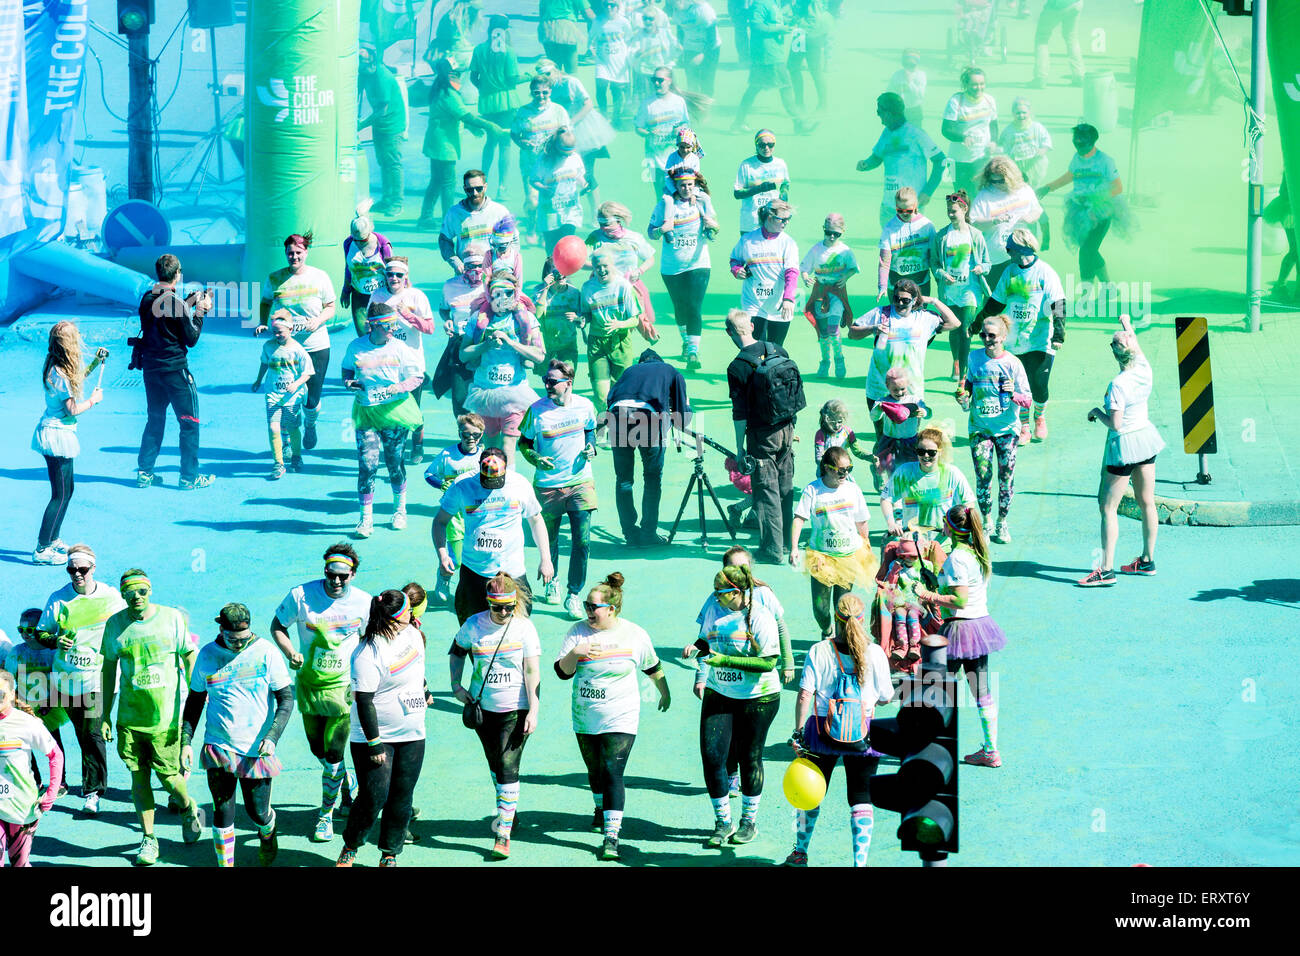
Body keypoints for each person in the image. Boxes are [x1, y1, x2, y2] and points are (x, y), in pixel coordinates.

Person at [555, 572, 669, 861]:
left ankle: (612, 836)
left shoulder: (634, 634)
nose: (588, 612)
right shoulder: (577, 633)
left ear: (612, 609)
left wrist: (664, 692)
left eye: (594, 607)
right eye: (586, 606)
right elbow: (562, 672)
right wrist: (577, 653)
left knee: (612, 771)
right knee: (594, 770)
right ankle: (599, 808)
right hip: (585, 714)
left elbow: (653, 667)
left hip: (622, 715)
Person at [100, 569, 204, 866]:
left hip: (166, 720)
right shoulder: (115, 625)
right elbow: (108, 670)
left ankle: (187, 808)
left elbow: (190, 656)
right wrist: (105, 714)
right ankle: (148, 838)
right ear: (122, 595)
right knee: (139, 778)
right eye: (130, 593)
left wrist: (196, 696)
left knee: (170, 779)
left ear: (150, 591)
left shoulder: (172, 619)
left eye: (142, 592)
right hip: (130, 718)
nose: (136, 597)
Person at [270, 544, 371, 844]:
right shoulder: (301, 596)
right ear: (325, 570)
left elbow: (369, 640)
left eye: (344, 576)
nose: (336, 581)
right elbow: (277, 625)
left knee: (333, 752)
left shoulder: (364, 603)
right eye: (331, 574)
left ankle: (325, 816)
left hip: (344, 689)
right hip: (310, 686)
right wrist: (290, 652)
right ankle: (344, 780)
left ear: (353, 574)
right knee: (318, 750)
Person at [783, 592, 892, 866]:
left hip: (821, 733)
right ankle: (859, 862)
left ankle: (800, 853)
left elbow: (804, 695)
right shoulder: (875, 652)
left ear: (836, 618)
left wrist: (798, 733)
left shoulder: (819, 650)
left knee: (809, 794)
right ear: (863, 619)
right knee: (861, 798)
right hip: (863, 733)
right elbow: (887, 696)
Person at [182, 603, 293, 867]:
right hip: (219, 745)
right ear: (221, 628)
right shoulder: (207, 655)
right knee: (222, 810)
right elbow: (195, 701)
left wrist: (272, 736)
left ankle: (268, 831)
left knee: (258, 812)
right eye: (233, 639)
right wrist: (186, 741)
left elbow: (286, 699)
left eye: (244, 638)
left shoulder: (266, 653)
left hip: (257, 749)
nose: (239, 645)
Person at [685, 564, 782, 847]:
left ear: (737, 593)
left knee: (748, 757)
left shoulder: (761, 618)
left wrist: (725, 661)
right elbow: (707, 640)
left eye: (722, 593)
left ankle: (748, 822)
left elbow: (768, 663)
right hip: (720, 691)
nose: (715, 598)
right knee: (713, 756)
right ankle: (722, 822)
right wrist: (696, 648)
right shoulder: (715, 610)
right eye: (714, 592)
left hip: (758, 698)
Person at [450, 574, 541, 860]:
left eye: (508, 607)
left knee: (506, 765)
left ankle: (502, 832)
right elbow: (457, 651)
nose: (503, 613)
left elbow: (531, 671)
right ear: (488, 603)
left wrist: (534, 709)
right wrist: (456, 685)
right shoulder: (474, 624)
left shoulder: (525, 628)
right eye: (497, 607)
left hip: (516, 708)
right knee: (494, 763)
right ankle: (509, 811)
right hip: (482, 707)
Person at [335, 589, 427, 867]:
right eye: (408, 611)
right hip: (375, 736)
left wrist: (425, 687)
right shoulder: (367, 653)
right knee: (375, 795)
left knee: (402, 795)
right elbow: (363, 700)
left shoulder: (411, 634)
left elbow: (417, 669)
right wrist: (374, 744)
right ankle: (351, 845)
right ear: (393, 620)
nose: (413, 614)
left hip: (412, 731)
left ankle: (389, 854)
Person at [914, 505, 1007, 767]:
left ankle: (928, 750)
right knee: (982, 692)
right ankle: (991, 751)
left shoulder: (956, 558)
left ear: (952, 528)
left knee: (932, 688)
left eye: (944, 522)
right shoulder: (976, 552)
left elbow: (959, 599)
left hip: (959, 630)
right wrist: (936, 579)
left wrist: (927, 594)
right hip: (980, 628)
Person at [39, 543, 125, 814]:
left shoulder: (111, 598)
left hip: (96, 680)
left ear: (93, 569)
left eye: (82, 569)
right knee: (61, 729)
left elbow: (127, 624)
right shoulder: (58, 598)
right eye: (71, 569)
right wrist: (55, 641)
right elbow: (41, 633)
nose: (77, 574)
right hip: (64, 680)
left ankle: (93, 791)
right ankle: (59, 782)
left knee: (91, 733)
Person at [1080, 314, 1165, 587]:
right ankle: (1147, 560)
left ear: (1116, 354)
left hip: (1124, 446)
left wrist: (1097, 412)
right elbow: (1135, 344)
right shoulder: (1144, 367)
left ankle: (1105, 570)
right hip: (1146, 439)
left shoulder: (1117, 385)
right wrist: (1128, 325)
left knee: (1107, 507)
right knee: (1147, 502)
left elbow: (1115, 424)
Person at [434, 448, 555, 624]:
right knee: (471, 628)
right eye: (487, 481)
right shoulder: (462, 485)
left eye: (497, 480)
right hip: (475, 570)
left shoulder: (520, 484)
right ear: (478, 467)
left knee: (518, 627)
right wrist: (443, 555)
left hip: (512, 570)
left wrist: (546, 559)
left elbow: (536, 520)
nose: (492, 486)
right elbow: (440, 521)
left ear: (506, 469)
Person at [519, 359, 600, 619]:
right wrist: (535, 459)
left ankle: (574, 594)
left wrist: (591, 447)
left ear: (569, 383)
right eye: (546, 381)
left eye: (553, 382)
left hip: (580, 483)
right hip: (547, 487)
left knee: (583, 541)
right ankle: (551, 580)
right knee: (549, 540)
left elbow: (590, 430)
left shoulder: (585, 406)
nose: (548, 385)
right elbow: (524, 444)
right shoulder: (536, 410)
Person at [725, 309, 804, 563]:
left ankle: (771, 550)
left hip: (761, 435)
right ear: (751, 325)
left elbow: (739, 414)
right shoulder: (778, 350)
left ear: (730, 333)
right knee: (785, 488)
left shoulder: (737, 366)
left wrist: (740, 448)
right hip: (787, 428)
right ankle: (785, 544)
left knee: (766, 491)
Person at [974, 228, 1066, 443]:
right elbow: (996, 302)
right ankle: (1024, 425)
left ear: (1021, 249)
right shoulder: (1010, 272)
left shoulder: (1045, 272)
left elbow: (1058, 303)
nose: (1007, 254)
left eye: (1010, 249)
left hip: (1041, 338)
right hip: (1015, 341)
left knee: (1039, 385)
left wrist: (1059, 334)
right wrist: (978, 322)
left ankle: (1039, 417)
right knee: (1019, 387)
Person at [342, 304, 425, 537]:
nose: (394, 328)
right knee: (367, 465)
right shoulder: (356, 347)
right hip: (366, 411)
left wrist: (398, 387)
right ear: (374, 325)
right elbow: (347, 370)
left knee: (394, 463)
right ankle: (365, 520)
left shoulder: (400, 348)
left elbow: (417, 376)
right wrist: (349, 383)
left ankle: (400, 511)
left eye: (394, 323)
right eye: (389, 325)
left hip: (394, 412)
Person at [135, 253, 215, 490]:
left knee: (155, 420)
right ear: (178, 274)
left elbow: (165, 314)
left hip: (151, 370)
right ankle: (189, 477)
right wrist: (200, 311)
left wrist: (188, 303)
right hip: (175, 371)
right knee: (189, 423)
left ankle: (145, 472)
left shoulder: (147, 299)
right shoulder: (176, 304)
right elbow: (191, 338)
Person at [847, 280, 960, 442]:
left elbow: (955, 323)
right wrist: (872, 329)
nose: (900, 303)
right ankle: (881, 466)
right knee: (882, 439)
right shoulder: (881, 313)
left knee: (910, 438)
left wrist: (934, 301)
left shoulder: (924, 318)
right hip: (879, 388)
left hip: (911, 391)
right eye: (897, 299)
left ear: (915, 300)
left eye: (905, 300)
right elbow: (852, 333)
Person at [32, 321, 104, 563]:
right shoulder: (60, 373)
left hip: (55, 433)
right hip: (57, 436)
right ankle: (42, 549)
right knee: (60, 494)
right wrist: (93, 400)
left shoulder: (56, 367)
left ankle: (53, 539)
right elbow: (72, 409)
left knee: (67, 491)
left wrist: (94, 364)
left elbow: (73, 383)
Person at [260, 233, 337, 455]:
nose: (294, 257)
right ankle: (284, 440)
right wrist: (261, 323)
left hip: (315, 346)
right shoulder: (275, 278)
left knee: (311, 399)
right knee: (285, 395)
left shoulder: (320, 277)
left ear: (306, 252)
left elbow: (331, 306)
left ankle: (310, 424)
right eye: (290, 253)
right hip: (286, 348)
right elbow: (265, 302)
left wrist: (318, 321)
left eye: (298, 253)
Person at [607, 348, 690, 547]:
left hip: (617, 415)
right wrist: (685, 407)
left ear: (642, 362)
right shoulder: (670, 370)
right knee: (652, 478)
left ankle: (629, 532)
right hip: (647, 419)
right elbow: (682, 419)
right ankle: (648, 533)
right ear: (659, 360)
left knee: (624, 480)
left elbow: (609, 399)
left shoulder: (629, 371)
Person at [790, 447, 877, 638]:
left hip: (848, 556)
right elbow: (799, 518)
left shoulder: (853, 489)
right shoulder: (813, 490)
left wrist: (866, 544)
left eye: (849, 469)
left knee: (843, 606)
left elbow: (861, 520)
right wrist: (794, 547)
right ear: (827, 468)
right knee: (820, 609)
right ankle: (827, 629)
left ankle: (839, 640)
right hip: (822, 557)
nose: (845, 474)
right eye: (841, 470)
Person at [958, 314, 1031, 543]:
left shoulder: (1013, 363)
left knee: (1006, 477)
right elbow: (968, 384)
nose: (987, 339)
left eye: (992, 336)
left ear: (1003, 337)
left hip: (1007, 430)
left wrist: (1013, 394)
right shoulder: (974, 357)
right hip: (979, 428)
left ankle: (1002, 522)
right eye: (983, 335)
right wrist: (963, 395)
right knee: (982, 475)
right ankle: (987, 521)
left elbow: (1028, 400)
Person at [460, 278, 547, 464]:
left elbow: (539, 356)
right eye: (497, 294)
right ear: (489, 295)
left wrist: (511, 342)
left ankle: (508, 484)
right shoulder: (478, 319)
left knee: (508, 446)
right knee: (491, 447)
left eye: (508, 293)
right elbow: (463, 355)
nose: (503, 298)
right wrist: (486, 345)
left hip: (514, 393)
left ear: (515, 294)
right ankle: (491, 485)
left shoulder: (527, 319)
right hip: (485, 392)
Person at [420, 59, 508, 232]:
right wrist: (489, 125)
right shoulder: (448, 93)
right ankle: (448, 220)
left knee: (436, 181)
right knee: (447, 183)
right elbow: (465, 115)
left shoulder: (441, 89)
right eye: (456, 73)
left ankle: (426, 217)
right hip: (443, 145)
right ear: (448, 74)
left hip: (437, 142)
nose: (459, 77)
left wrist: (472, 127)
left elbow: (455, 115)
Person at [369, 256, 439, 464]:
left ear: (406, 276)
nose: (394, 278)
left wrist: (408, 316)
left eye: (399, 274)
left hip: (411, 364)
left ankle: (417, 445)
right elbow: (368, 325)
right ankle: (395, 449)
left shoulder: (416, 296)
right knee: (388, 408)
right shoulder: (378, 295)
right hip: (386, 364)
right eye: (390, 274)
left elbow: (430, 328)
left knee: (413, 411)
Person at [1039, 123, 1128, 285]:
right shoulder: (1076, 158)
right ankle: (1108, 288)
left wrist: (1093, 200)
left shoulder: (1105, 161)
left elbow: (1118, 188)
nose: (1078, 145)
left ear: (1092, 142)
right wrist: (1048, 188)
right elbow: (1070, 176)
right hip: (1079, 212)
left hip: (1101, 211)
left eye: (1082, 142)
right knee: (1089, 251)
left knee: (1087, 251)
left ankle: (1087, 294)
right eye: (1075, 141)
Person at [648, 166, 718, 369]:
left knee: (694, 306)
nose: (687, 189)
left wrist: (712, 226)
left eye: (690, 184)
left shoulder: (702, 201)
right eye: (683, 185)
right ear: (676, 186)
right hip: (672, 266)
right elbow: (651, 232)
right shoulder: (665, 204)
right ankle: (686, 341)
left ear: (695, 184)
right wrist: (662, 229)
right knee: (680, 305)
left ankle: (693, 352)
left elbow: (715, 226)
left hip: (699, 263)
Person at [535, 59, 617, 221]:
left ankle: (596, 213)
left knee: (587, 173)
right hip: (561, 134)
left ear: (555, 70)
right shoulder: (545, 88)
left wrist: (571, 122)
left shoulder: (571, 82)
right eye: (542, 75)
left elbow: (588, 104)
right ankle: (564, 211)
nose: (546, 78)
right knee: (563, 172)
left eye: (548, 73)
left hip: (584, 130)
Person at [0, 669, 63, 868]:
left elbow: (55, 755)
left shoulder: (27, 724)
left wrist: (51, 793)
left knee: (19, 863)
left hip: (21, 805)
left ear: (12, 694)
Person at [857, 91, 945, 228]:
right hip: (888, 206)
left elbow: (941, 161)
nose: (877, 114)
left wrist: (928, 191)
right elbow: (877, 157)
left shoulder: (916, 134)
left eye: (879, 111)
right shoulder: (886, 133)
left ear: (889, 112)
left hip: (911, 206)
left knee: (911, 248)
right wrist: (866, 164)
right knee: (889, 248)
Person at [425, 413, 488, 605]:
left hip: (477, 512)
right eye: (465, 434)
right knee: (457, 558)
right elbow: (429, 473)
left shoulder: (484, 456)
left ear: (482, 435)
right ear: (459, 433)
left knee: (479, 554)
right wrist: (440, 482)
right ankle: (444, 578)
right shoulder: (447, 455)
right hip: (453, 514)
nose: (470, 438)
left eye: (475, 435)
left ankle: (476, 590)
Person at [730, 0, 816, 135]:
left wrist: (786, 24)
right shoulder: (760, 4)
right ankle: (799, 123)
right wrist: (780, 29)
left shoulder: (774, 3)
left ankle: (738, 123)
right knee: (785, 88)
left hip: (771, 54)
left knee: (754, 89)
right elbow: (756, 26)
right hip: (768, 56)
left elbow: (772, 22)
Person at [930, 189, 990, 382]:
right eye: (948, 210)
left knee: (965, 330)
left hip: (969, 291)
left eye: (954, 210)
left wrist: (981, 268)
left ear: (964, 210)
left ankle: (964, 374)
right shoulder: (941, 236)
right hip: (949, 292)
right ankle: (956, 360)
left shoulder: (976, 235)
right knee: (953, 330)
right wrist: (941, 274)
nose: (950, 213)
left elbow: (987, 263)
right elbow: (935, 263)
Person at [880, 427, 978, 538]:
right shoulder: (904, 472)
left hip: (943, 540)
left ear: (940, 452)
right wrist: (891, 523)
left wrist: (954, 525)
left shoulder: (952, 473)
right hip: (913, 542)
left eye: (931, 452)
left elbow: (969, 503)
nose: (926, 456)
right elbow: (886, 499)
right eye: (921, 451)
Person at [250, 316, 315, 480]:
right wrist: (258, 380)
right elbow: (264, 363)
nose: (277, 335)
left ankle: (296, 456)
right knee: (273, 427)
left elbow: (308, 372)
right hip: (273, 394)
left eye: (280, 332)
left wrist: (296, 384)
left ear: (290, 330)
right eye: (274, 332)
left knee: (292, 428)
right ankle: (278, 463)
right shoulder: (269, 346)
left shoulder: (298, 350)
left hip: (292, 397)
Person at [471, 15, 526, 201]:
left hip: (487, 103)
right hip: (508, 102)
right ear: (505, 30)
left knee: (490, 143)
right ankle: (502, 187)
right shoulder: (508, 52)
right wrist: (530, 75)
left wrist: (485, 88)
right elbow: (512, 79)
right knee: (505, 145)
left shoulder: (479, 50)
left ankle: (479, 184)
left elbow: (473, 77)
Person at [581, 250, 645, 411]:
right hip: (597, 345)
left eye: (605, 266)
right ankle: (603, 427)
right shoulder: (587, 287)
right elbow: (587, 314)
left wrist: (620, 325)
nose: (601, 270)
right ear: (593, 269)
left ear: (612, 266)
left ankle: (621, 428)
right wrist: (583, 320)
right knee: (601, 396)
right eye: (597, 267)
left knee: (622, 394)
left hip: (621, 343)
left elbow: (635, 319)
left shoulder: (624, 286)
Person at [730, 199, 800, 345]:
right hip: (753, 304)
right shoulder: (747, 240)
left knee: (775, 350)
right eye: (783, 219)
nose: (786, 222)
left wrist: (788, 299)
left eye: (789, 219)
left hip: (779, 305)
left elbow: (792, 274)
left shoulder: (788, 243)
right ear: (769, 217)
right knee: (755, 348)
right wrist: (737, 270)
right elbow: (735, 259)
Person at [585, 200, 658, 341]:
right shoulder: (595, 237)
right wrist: (599, 267)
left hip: (630, 286)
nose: (603, 228)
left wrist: (639, 271)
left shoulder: (634, 238)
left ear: (618, 220)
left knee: (646, 322)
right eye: (600, 224)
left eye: (607, 224)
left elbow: (650, 259)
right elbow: (580, 261)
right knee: (609, 325)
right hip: (603, 289)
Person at [512, 76, 573, 243]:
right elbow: (515, 134)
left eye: (544, 92)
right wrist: (522, 142)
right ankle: (531, 226)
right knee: (532, 200)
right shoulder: (523, 111)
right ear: (531, 92)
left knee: (550, 200)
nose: (541, 96)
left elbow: (567, 135)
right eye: (536, 92)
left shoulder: (558, 110)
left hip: (553, 163)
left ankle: (545, 232)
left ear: (550, 91)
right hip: (530, 163)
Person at [969, 156, 1044, 290]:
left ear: (1010, 177)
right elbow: (974, 223)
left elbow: (1037, 211)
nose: (997, 184)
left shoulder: (1024, 190)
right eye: (993, 180)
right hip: (996, 257)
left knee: (1022, 296)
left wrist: (1029, 218)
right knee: (995, 300)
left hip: (1023, 253)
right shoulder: (985, 195)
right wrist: (994, 221)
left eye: (1001, 180)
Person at [799, 213, 858, 378]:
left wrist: (845, 277)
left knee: (833, 328)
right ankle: (825, 361)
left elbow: (853, 267)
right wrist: (805, 278)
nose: (832, 236)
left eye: (836, 234)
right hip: (820, 293)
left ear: (842, 232)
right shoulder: (816, 249)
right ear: (823, 230)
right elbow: (804, 268)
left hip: (837, 293)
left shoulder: (845, 250)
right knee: (824, 332)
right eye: (828, 232)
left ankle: (839, 359)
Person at [436, 245, 488, 416]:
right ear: (463, 267)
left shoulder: (493, 285)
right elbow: (444, 309)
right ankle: (465, 437)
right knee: (459, 398)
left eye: (479, 265)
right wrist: (448, 320)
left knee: (487, 396)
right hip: (460, 344)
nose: (476, 270)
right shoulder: (450, 286)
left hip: (486, 345)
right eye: (470, 266)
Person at [358, 48, 408, 217]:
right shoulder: (364, 73)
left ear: (372, 60)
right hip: (380, 125)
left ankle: (396, 202)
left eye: (361, 60)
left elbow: (382, 110)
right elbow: (356, 92)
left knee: (393, 163)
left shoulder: (382, 77)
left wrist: (361, 124)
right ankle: (387, 199)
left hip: (392, 125)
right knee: (383, 161)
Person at [868, 367, 930, 493]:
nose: (900, 393)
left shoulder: (914, 400)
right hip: (889, 441)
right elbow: (873, 417)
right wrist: (879, 408)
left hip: (910, 441)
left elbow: (929, 412)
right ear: (887, 386)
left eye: (903, 389)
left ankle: (909, 491)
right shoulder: (884, 401)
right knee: (890, 468)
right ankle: (880, 475)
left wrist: (924, 411)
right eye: (895, 389)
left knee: (912, 467)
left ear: (908, 384)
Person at [634, 66, 691, 197]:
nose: (656, 83)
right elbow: (638, 128)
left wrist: (680, 129)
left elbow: (686, 124)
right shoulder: (647, 104)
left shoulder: (679, 101)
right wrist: (648, 133)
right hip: (654, 157)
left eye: (660, 80)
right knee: (661, 196)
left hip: (678, 156)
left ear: (669, 81)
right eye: (654, 80)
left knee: (682, 194)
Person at [439, 170, 512, 273]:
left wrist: (507, 265)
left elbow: (513, 240)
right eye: (470, 189)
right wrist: (454, 261)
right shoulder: (454, 213)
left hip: (494, 274)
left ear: (485, 187)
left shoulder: (499, 211)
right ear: (464, 189)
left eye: (479, 188)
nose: (475, 193)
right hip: (467, 273)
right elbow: (444, 239)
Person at [941, 66, 998, 196]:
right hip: (959, 159)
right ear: (966, 84)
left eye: (982, 84)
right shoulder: (956, 101)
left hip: (982, 157)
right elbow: (946, 130)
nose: (979, 88)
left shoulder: (989, 100)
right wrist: (963, 138)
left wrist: (994, 141)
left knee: (981, 194)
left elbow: (993, 124)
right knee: (962, 197)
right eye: (974, 84)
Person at [529, 128, 588, 251]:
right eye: (564, 153)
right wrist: (543, 188)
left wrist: (584, 184)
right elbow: (533, 180)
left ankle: (565, 269)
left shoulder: (575, 158)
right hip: (549, 211)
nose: (567, 156)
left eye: (570, 152)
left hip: (570, 210)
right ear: (556, 147)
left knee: (567, 246)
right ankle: (552, 269)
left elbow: (579, 176)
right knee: (552, 248)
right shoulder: (545, 160)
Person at [339, 215, 394, 336]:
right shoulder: (348, 243)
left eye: (363, 240)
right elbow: (348, 268)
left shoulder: (383, 244)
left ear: (370, 231)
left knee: (384, 334)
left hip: (381, 295)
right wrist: (346, 290)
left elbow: (392, 269)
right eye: (356, 240)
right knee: (364, 335)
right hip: (360, 296)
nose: (359, 243)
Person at [878, 186, 936, 299]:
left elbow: (934, 258)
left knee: (920, 316)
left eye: (908, 210)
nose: (904, 214)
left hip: (921, 282)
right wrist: (882, 286)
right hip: (896, 283)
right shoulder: (889, 228)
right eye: (900, 210)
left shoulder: (927, 226)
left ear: (915, 206)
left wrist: (940, 281)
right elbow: (884, 261)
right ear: (896, 207)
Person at [734, 130, 790, 236]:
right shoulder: (746, 165)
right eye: (762, 145)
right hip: (750, 221)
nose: (766, 148)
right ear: (756, 145)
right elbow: (737, 193)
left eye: (770, 144)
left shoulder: (780, 164)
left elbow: (785, 185)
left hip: (774, 219)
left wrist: (783, 199)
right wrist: (760, 188)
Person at [880, 539, 927, 665]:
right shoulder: (895, 567)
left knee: (912, 614)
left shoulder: (923, 566)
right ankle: (902, 646)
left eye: (913, 556)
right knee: (900, 613)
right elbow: (889, 584)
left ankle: (915, 645)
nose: (908, 559)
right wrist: (895, 570)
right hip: (900, 602)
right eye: (903, 556)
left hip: (916, 602)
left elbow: (929, 586)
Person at [590, 0, 634, 125]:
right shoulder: (598, 21)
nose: (609, 7)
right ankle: (604, 115)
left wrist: (628, 55)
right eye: (606, 4)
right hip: (602, 60)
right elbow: (591, 37)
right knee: (600, 84)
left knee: (616, 89)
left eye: (612, 5)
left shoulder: (624, 22)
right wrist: (591, 50)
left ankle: (616, 116)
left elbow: (629, 39)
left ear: (618, 6)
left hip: (619, 60)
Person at [535, 263, 585, 369]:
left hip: (568, 345)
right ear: (548, 275)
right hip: (547, 346)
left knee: (567, 379)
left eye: (563, 269)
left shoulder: (575, 293)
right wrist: (545, 288)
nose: (560, 274)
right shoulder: (539, 291)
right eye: (555, 272)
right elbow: (538, 315)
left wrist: (577, 318)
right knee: (551, 382)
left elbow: (582, 321)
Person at [787, 0, 831, 113]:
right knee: (794, 68)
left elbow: (814, 18)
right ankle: (801, 103)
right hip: (804, 33)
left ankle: (822, 104)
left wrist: (797, 22)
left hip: (808, 35)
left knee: (814, 71)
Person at [630, 4, 678, 103]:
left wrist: (676, 53)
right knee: (650, 98)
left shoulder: (664, 33)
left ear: (656, 19)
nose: (647, 21)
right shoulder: (639, 34)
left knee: (667, 96)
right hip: (646, 72)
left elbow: (675, 46)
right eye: (645, 18)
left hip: (662, 72)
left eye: (651, 19)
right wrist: (637, 53)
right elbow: (632, 51)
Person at [675, 0, 721, 103]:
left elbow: (711, 37)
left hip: (711, 48)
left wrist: (703, 54)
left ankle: (707, 107)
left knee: (707, 80)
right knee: (691, 80)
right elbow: (680, 30)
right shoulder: (676, 12)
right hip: (690, 48)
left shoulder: (703, 10)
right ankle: (694, 106)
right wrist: (680, 52)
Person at [1032, 0, 1085, 89]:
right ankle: (1079, 76)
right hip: (1076, 4)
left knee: (1042, 39)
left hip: (1056, 6)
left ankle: (1040, 77)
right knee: (1072, 38)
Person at [539, 0, 591, 73]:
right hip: (566, 28)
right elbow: (587, 14)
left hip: (547, 28)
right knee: (571, 71)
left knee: (554, 69)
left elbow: (542, 11)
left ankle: (554, 82)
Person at [888, 48, 926, 126]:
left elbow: (920, 95)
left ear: (916, 63)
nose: (908, 67)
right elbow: (889, 92)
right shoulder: (897, 75)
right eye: (906, 64)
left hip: (914, 110)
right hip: (899, 111)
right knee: (898, 136)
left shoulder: (920, 75)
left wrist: (910, 82)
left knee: (914, 136)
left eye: (912, 65)